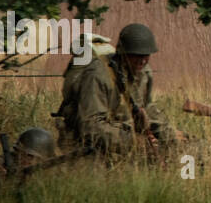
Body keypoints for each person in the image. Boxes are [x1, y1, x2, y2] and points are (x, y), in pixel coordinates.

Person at [55, 22, 186, 157]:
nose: (142, 61)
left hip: (121, 138)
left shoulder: (143, 73)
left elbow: (147, 109)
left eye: (146, 55)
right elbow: (91, 126)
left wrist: (171, 138)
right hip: (85, 145)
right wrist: (133, 142)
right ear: (123, 53)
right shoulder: (98, 75)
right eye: (137, 55)